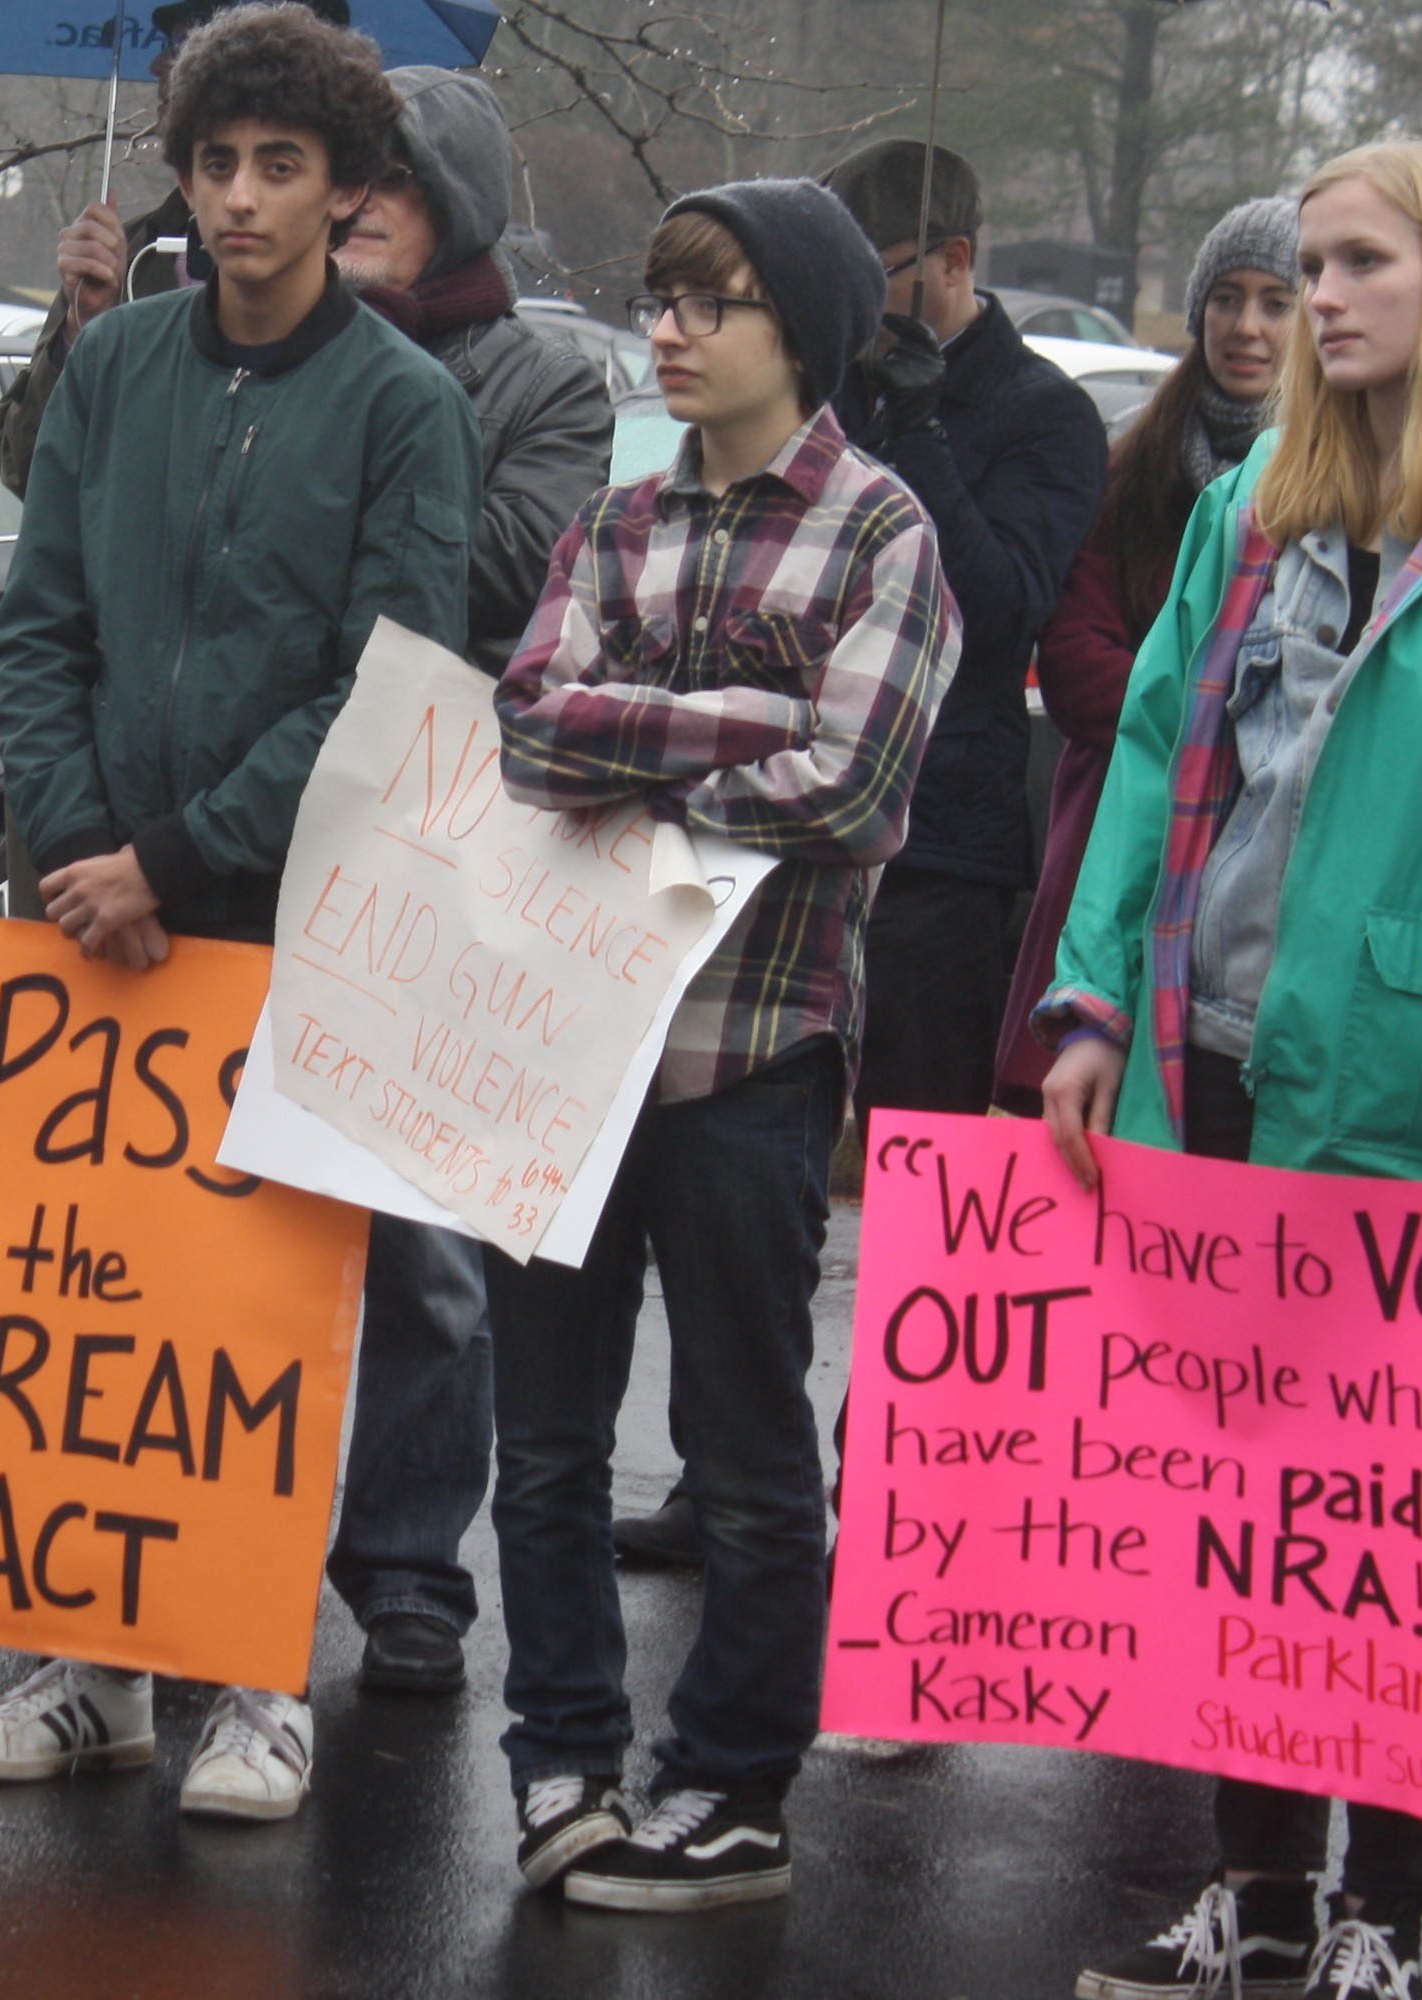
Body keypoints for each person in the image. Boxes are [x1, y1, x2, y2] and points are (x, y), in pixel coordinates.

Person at [1040, 143, 1422, 2000]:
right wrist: (1086, 1006)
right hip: (1212, 1056)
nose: (1319, 295)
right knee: (1238, 1508)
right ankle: (1254, 1886)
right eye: (1307, 263)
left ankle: (1382, 1922)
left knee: (1392, 1525)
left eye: (1359, 261)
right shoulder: (1258, 500)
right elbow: (1150, 752)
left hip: (1420, 1086)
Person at [0, 1, 476, 1823]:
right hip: (87, 908)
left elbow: (388, 680)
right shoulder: (112, 368)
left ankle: (255, 1686)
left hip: (283, 912)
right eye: (213, 163)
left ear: (346, 189)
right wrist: (79, 842)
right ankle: (90, 1668)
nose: (238, 198)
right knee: (95, 1305)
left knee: (261, 1310)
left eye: (277, 167)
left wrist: (172, 853)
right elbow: (36, 628)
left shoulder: (405, 402)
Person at [486, 180, 953, 1910]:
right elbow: (527, 729)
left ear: (803, 330)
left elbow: (850, 785)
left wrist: (638, 739)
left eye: (714, 300)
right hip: (564, 1046)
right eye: (661, 294)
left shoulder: (883, 531)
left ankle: (733, 1786)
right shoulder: (611, 520)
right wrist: (738, 717)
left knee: (745, 1445)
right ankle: (557, 1755)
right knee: (538, 1438)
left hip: (749, 1053)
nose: (668, 328)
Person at [317, 64, 610, 1695]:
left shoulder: (542, 380)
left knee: (428, 1242)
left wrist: (350, 422)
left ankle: (409, 1566)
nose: (352, 203)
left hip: (435, 844)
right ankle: (197, 1537)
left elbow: (503, 574)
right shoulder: (256, 348)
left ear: (460, 200)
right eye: (336, 175)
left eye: (390, 180)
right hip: (263, 824)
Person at [990, 197, 1298, 1110]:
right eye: (1227, 298)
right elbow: (1079, 669)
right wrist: (1233, 711)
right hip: (1109, 847)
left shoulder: (1345, 492)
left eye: (1277, 301)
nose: (1246, 327)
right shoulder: (1132, 472)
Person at [822, 138, 1106, 1119]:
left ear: (953, 259)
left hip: (941, 845)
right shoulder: (826, 386)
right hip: (802, 814)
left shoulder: (1048, 414)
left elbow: (1001, 610)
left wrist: (922, 433)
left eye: (875, 273)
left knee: (915, 1153)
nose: (852, 301)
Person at [0, 0, 353, 501]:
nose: (159, 67)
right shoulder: (133, 257)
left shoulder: (362, 283)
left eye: (186, 47)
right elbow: (30, 472)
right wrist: (84, 334)